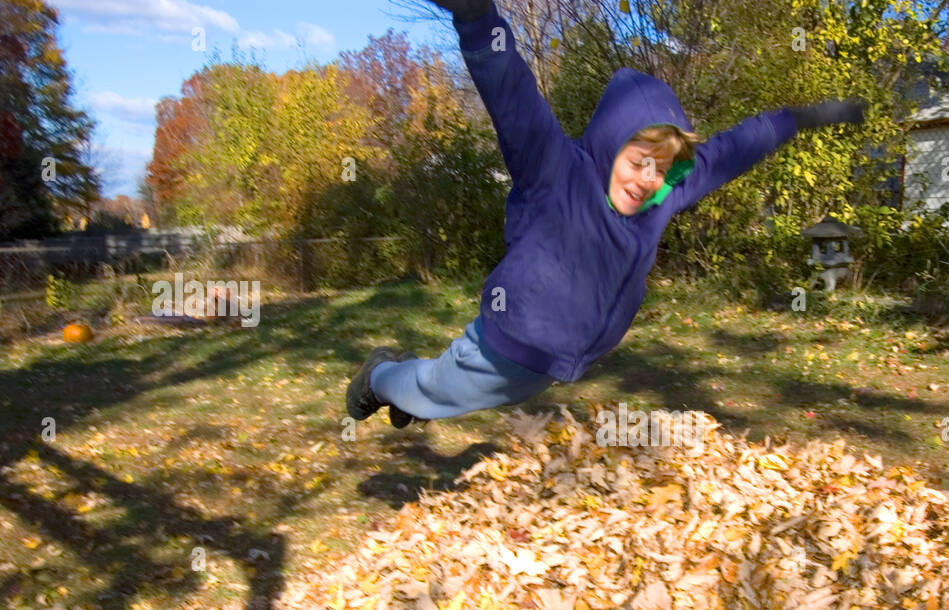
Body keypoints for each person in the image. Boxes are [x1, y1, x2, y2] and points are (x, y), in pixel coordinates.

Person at [347, 0, 865, 429]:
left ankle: (413, 397)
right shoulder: (555, 170)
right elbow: (513, 96)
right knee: (437, 387)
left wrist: (798, 118)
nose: (648, 180)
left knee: (441, 393)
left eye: (662, 170)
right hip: (510, 345)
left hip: (561, 361)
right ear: (610, 146)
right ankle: (380, 379)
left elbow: (733, 148)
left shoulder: (662, 197)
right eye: (639, 163)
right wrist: (477, 18)